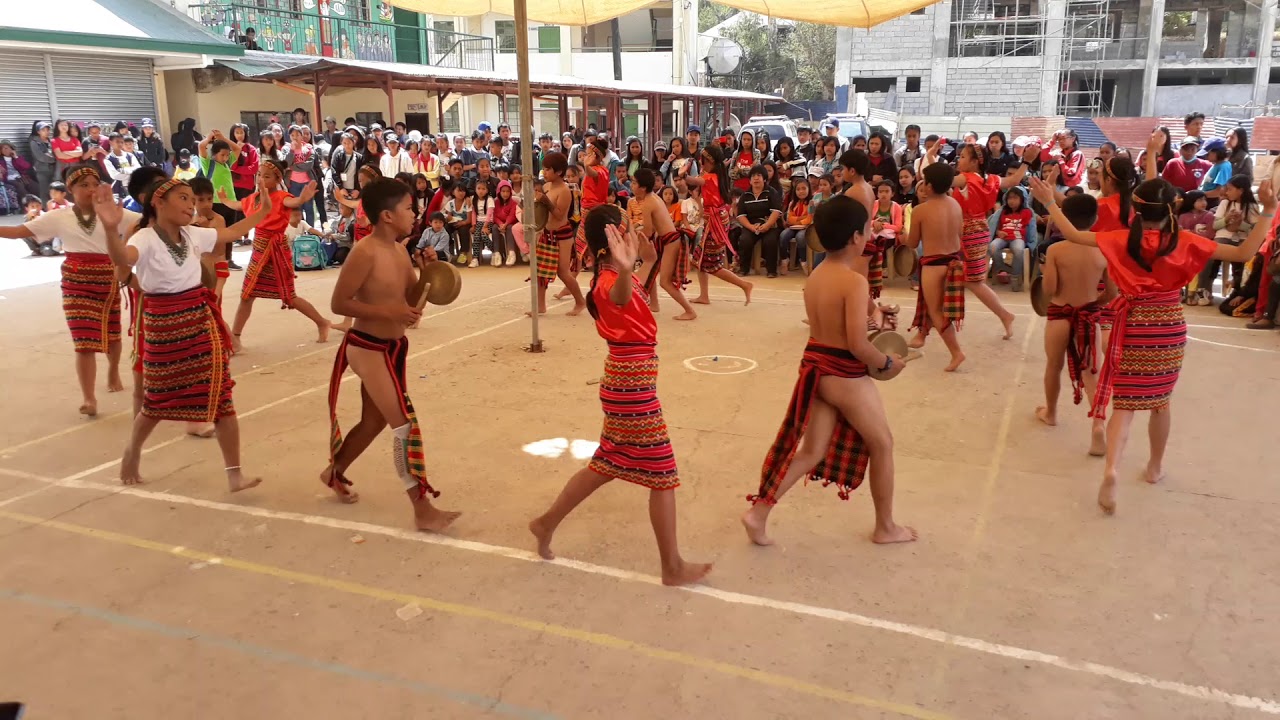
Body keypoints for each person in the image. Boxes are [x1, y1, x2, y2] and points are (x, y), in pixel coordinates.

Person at [1029, 172, 1275, 514]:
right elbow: (1246, 251)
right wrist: (1268, 210)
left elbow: (1070, 232)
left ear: (1137, 210)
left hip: (1129, 325)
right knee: (1160, 403)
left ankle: (1112, 468)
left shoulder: (1118, 239)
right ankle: (1155, 466)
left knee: (1125, 404)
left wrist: (1049, 202)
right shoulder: (1186, 241)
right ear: (1172, 206)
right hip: (1167, 326)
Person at [529, 205, 711, 586]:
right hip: (632, 388)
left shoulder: (614, 276)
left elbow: (635, 295)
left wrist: (642, 260)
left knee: (607, 463)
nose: (631, 233)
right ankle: (672, 567)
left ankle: (545, 523)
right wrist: (631, 268)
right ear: (609, 241)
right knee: (662, 474)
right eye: (624, 230)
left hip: (628, 384)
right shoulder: (607, 282)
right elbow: (623, 297)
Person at [742, 195, 913, 546]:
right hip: (843, 374)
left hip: (816, 368)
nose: (869, 233)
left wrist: (877, 318)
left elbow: (839, 328)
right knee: (882, 444)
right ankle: (886, 527)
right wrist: (887, 362)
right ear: (855, 236)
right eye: (867, 228)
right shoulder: (853, 281)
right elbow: (856, 344)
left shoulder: (819, 274)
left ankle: (758, 512)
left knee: (811, 452)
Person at [103, 174, 268, 489]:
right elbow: (122, 259)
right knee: (157, 401)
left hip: (199, 318)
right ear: (158, 202)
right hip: (163, 324)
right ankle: (132, 451)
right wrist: (111, 229)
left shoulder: (194, 234)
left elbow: (232, 231)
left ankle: (234, 474)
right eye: (183, 198)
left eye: (192, 199)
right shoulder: (144, 238)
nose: (191, 204)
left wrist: (264, 210)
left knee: (221, 398)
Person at [323, 178, 461, 529]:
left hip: (394, 346)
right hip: (366, 348)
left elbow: (412, 302)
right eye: (409, 208)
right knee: (403, 424)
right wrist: (391, 314)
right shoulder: (364, 252)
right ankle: (422, 509)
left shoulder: (401, 250)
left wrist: (428, 269)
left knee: (374, 422)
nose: (415, 213)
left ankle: (333, 471)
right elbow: (340, 303)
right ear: (387, 215)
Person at [0, 164, 135, 414]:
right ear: (70, 190)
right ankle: (89, 398)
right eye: (84, 185)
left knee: (112, 332)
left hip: (108, 280)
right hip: (75, 283)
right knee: (83, 342)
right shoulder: (59, 216)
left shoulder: (116, 213)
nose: (91, 189)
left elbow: (146, 223)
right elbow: (20, 231)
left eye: (95, 184)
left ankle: (113, 370)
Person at [217, 159, 333, 350]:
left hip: (276, 250)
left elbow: (293, 201)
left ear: (278, 179)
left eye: (266, 176)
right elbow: (237, 205)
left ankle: (322, 322)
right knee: (247, 294)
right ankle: (235, 337)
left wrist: (302, 199)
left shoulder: (281, 197)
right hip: (259, 249)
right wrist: (223, 200)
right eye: (259, 175)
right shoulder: (254, 198)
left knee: (289, 296)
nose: (261, 179)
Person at [1035, 192, 1109, 457]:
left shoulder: (1055, 250)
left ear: (1064, 218)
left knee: (1053, 366)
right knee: (1092, 372)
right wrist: (1094, 305)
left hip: (1060, 314)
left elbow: (1050, 288)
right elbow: (1111, 293)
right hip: (1089, 315)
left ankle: (1051, 412)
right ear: (1095, 219)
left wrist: (1045, 275)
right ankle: (1099, 423)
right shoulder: (1102, 250)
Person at [937, 142, 1027, 339]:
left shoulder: (965, 179)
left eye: (962, 157)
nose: (959, 160)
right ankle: (938, 319)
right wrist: (1027, 161)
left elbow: (939, 179)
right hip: (979, 228)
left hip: (966, 231)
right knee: (957, 277)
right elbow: (1015, 179)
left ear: (975, 162)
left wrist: (931, 156)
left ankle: (1004, 315)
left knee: (970, 280)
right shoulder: (991, 179)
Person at [905, 163, 967, 372]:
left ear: (929, 186)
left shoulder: (921, 211)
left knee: (936, 311)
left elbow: (913, 243)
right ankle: (922, 334)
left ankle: (956, 352)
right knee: (937, 308)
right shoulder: (955, 205)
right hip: (955, 260)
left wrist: (902, 237)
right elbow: (959, 234)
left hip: (934, 265)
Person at [684, 144, 753, 306]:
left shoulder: (709, 177)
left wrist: (684, 169)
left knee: (710, 264)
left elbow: (688, 179)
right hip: (714, 219)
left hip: (714, 222)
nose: (701, 163)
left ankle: (744, 285)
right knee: (700, 260)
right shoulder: (716, 176)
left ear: (710, 162)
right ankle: (704, 295)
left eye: (703, 160)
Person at [630, 168, 696, 320]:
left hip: (670, 241)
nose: (631, 186)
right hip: (666, 239)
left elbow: (647, 231)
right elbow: (652, 227)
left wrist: (633, 234)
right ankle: (654, 303)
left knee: (665, 282)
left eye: (634, 183)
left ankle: (689, 310)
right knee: (651, 268)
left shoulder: (648, 203)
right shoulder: (654, 198)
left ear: (643, 187)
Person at [532, 152, 587, 316]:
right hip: (547, 232)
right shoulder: (547, 186)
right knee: (540, 272)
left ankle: (580, 301)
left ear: (558, 172)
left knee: (563, 272)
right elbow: (542, 211)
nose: (545, 172)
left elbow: (559, 214)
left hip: (562, 235)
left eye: (548, 169)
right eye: (544, 169)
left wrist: (545, 201)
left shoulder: (564, 190)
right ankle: (540, 306)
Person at [1195, 175, 1259, 305]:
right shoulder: (1225, 203)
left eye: (1230, 189)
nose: (1227, 192)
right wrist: (1227, 219)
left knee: (1244, 257)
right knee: (1212, 255)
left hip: (1242, 238)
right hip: (1223, 236)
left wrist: (1240, 224)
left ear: (1240, 190)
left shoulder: (1252, 206)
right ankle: (1204, 289)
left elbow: (1255, 230)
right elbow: (1214, 225)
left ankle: (1239, 290)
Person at [736, 166, 783, 278]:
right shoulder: (745, 195)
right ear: (750, 180)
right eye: (753, 176)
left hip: (770, 225)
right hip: (751, 225)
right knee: (745, 240)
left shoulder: (771, 192)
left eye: (759, 176)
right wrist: (751, 227)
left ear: (765, 179)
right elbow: (741, 215)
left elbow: (776, 211)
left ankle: (771, 270)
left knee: (770, 241)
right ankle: (744, 269)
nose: (756, 178)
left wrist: (766, 225)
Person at [989, 187, 1033, 291]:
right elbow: (995, 226)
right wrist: (999, 232)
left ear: (1021, 199)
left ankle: (1015, 275)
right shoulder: (1003, 212)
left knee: (1018, 250)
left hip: (1017, 238)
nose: (1012, 201)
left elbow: (1029, 228)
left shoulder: (1027, 212)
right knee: (992, 247)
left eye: (1015, 198)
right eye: (1009, 198)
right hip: (1003, 237)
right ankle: (1003, 267)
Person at [1198, 137, 1232, 202]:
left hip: (1213, 202)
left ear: (1217, 152)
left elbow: (1219, 191)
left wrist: (1199, 195)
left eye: (1208, 154)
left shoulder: (1223, 166)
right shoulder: (1216, 165)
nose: (1205, 156)